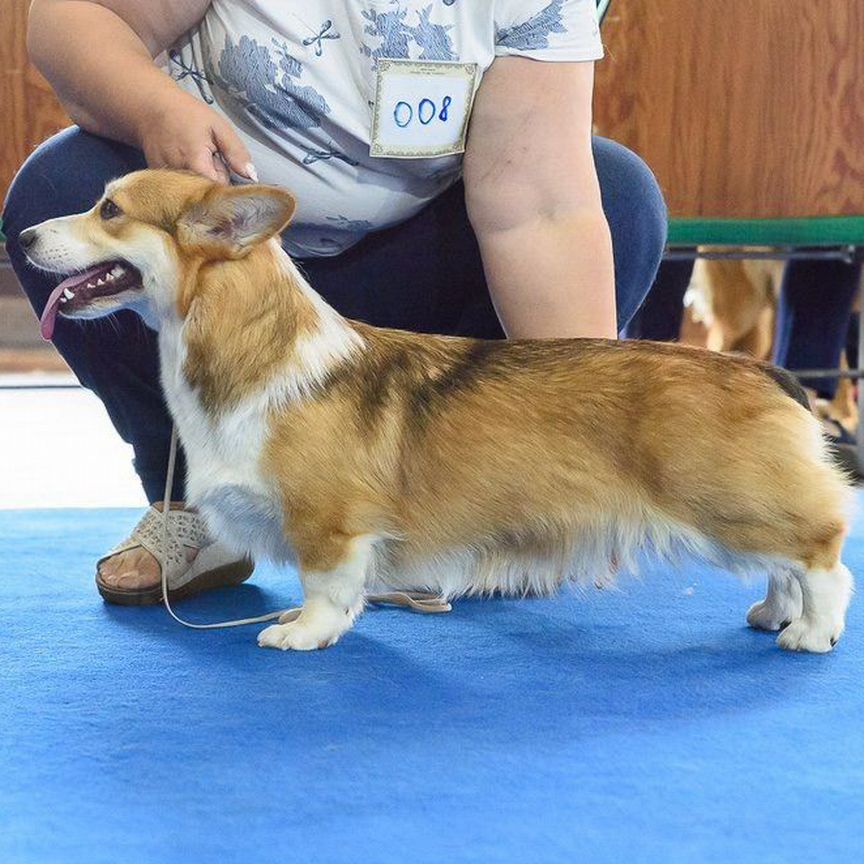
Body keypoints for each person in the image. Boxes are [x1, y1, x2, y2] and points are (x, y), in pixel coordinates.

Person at [3, 0, 667, 605]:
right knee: (58, 189)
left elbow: (543, 211)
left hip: (409, 286)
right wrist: (156, 110)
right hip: (227, 266)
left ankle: (447, 515)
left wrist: (587, 445)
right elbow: (70, 19)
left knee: (619, 198)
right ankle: (196, 507)